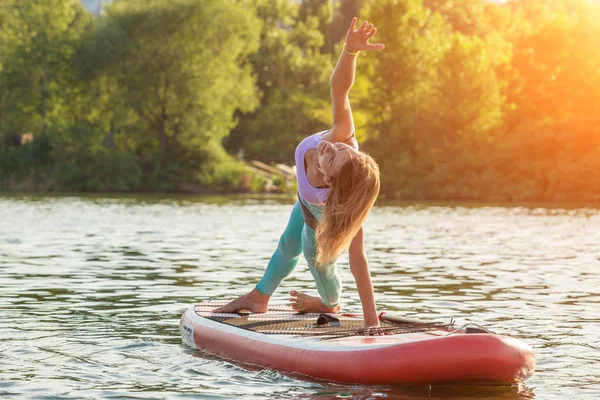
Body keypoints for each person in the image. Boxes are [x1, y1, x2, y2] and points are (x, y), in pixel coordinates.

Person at [215, 18, 385, 330]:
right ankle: (259, 297)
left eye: (334, 157)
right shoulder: (342, 135)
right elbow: (339, 87)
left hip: (320, 223)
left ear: (332, 183)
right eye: (341, 148)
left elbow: (359, 264)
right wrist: (350, 51)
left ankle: (330, 303)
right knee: (285, 246)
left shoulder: (339, 205)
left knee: (318, 264)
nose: (330, 148)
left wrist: (371, 321)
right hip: (303, 205)